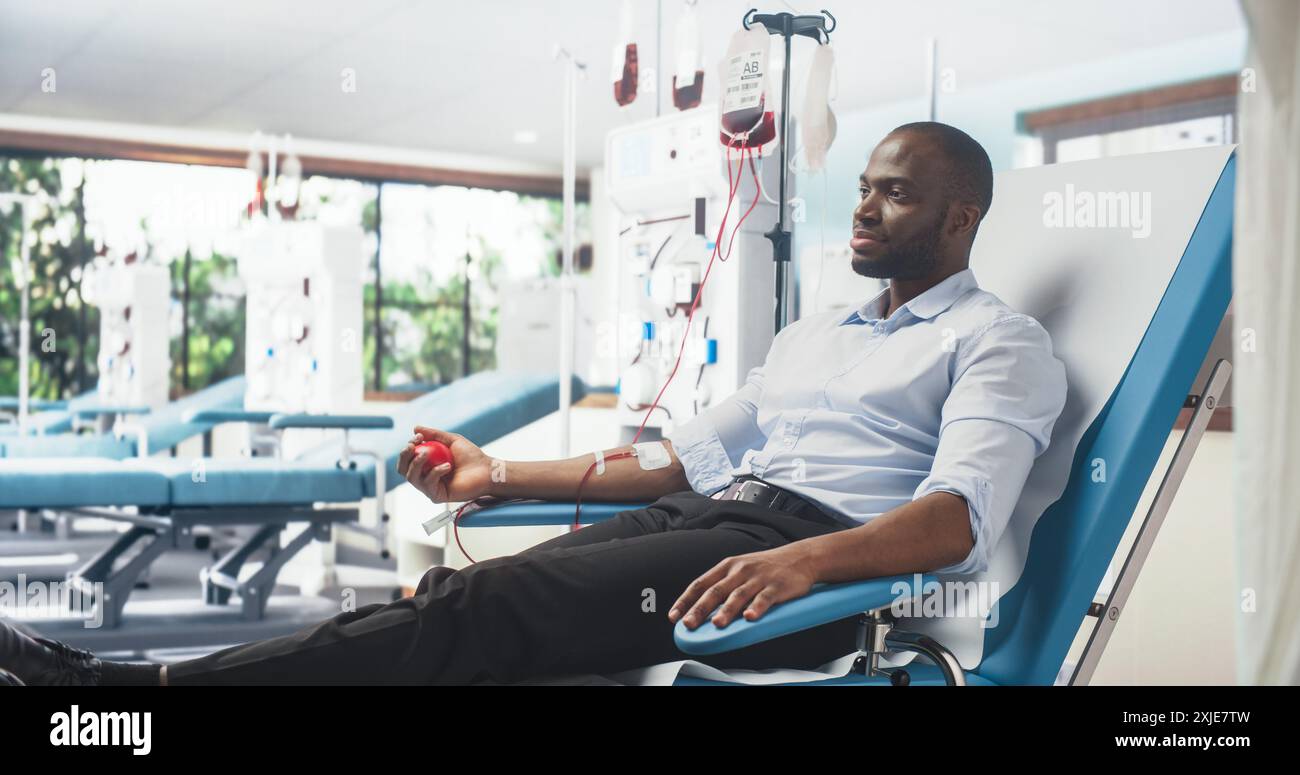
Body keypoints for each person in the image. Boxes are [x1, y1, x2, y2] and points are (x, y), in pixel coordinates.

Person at [0, 121, 1067, 686]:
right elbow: (678, 460)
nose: (866, 209)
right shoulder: (817, 333)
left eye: (897, 192)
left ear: (960, 217)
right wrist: (494, 473)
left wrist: (802, 561)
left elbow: (957, 520)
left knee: (478, 615)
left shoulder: (997, 341)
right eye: (867, 185)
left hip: (794, 573)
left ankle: (131, 698)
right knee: (443, 619)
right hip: (710, 521)